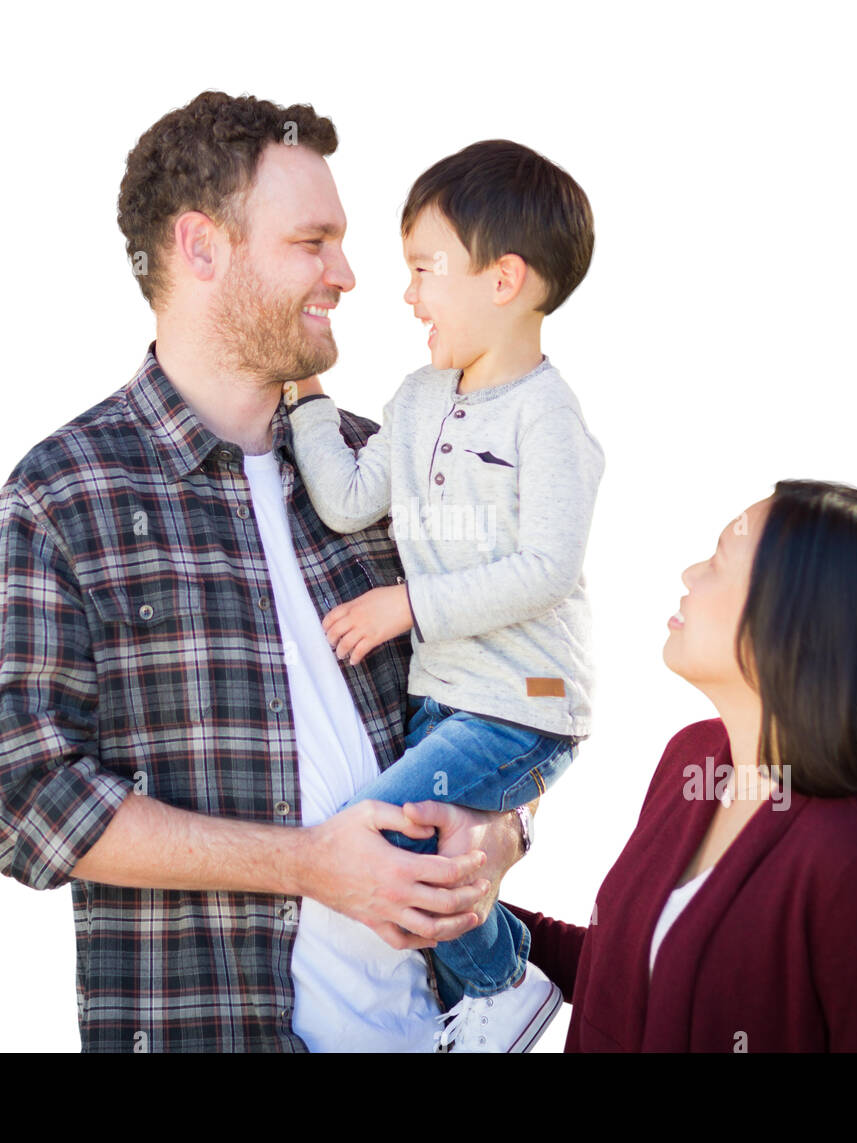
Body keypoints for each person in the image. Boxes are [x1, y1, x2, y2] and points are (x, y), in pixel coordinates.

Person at [0, 91, 532, 1053]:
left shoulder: (395, 470)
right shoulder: (60, 499)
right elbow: (21, 802)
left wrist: (501, 830)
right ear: (200, 248)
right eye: (313, 240)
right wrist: (310, 863)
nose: (348, 273)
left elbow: (527, 681)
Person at [282, 139, 603, 1052]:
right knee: (427, 854)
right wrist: (306, 396)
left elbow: (545, 564)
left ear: (503, 280)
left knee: (377, 833)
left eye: (425, 269)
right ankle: (494, 982)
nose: (409, 294)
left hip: (528, 704)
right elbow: (347, 498)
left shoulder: (549, 418)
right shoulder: (419, 399)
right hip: (447, 698)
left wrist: (409, 606)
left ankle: (506, 982)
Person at [503, 481, 857, 1051]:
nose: (691, 574)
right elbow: (631, 975)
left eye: (721, 560)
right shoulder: (692, 758)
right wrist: (467, 912)